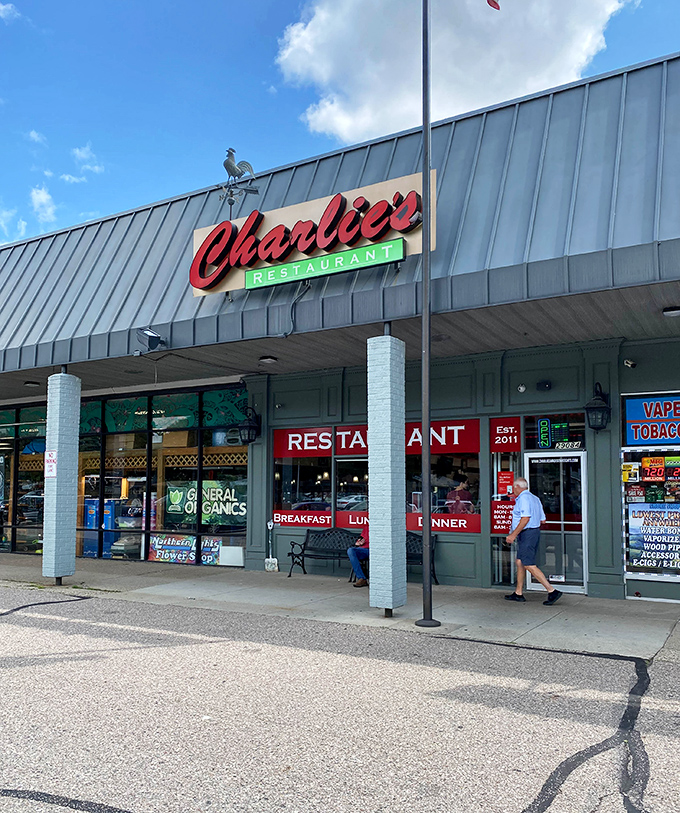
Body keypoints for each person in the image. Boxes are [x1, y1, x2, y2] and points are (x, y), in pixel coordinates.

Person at [504, 477, 562, 605]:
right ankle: (518, 593)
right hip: (533, 532)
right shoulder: (535, 498)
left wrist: (513, 534)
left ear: (518, 487)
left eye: (514, 487)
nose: (513, 490)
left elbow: (525, 519)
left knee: (528, 563)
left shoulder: (523, 499)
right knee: (520, 562)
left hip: (527, 534)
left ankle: (552, 591)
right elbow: (543, 520)